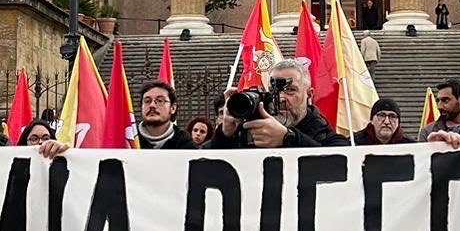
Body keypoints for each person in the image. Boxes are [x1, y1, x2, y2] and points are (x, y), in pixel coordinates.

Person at [205, 60, 337, 149]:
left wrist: (288, 138)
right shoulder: (251, 127)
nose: (281, 98)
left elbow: (336, 165)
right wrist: (225, 135)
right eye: (274, 91)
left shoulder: (326, 136)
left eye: (290, 90)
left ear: (309, 94)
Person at [135, 80, 197, 150]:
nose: (152, 105)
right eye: (147, 101)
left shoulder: (187, 147)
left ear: (173, 108)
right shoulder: (128, 141)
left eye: (160, 101)